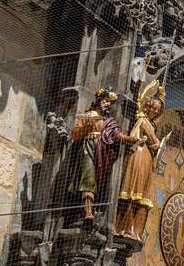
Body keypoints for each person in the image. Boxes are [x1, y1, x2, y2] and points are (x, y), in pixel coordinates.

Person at [69, 88, 139, 223]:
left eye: (110, 103)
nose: (108, 104)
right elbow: (75, 135)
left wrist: (133, 140)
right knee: (88, 179)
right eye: (106, 101)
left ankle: (89, 210)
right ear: (99, 100)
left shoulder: (110, 122)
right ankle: (88, 212)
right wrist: (87, 127)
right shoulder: (89, 115)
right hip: (88, 149)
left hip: (102, 153)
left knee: (96, 182)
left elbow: (118, 137)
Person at [115, 79, 167, 239]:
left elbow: (155, 140)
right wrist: (157, 143)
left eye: (157, 110)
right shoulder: (143, 121)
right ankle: (125, 227)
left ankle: (132, 229)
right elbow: (155, 143)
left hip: (145, 157)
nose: (154, 111)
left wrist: (162, 98)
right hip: (139, 155)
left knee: (141, 192)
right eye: (153, 107)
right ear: (148, 107)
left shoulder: (149, 123)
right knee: (134, 190)